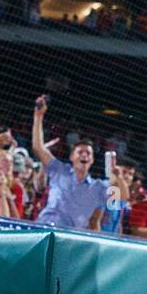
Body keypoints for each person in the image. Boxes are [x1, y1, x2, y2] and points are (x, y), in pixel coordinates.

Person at [30, 96, 107, 231]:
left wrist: (117, 176)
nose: (84, 155)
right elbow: (38, 147)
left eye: (88, 153)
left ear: (93, 160)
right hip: (43, 228)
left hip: (70, 239)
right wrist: (38, 116)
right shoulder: (59, 170)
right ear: (71, 157)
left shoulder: (98, 187)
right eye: (80, 152)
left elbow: (122, 196)